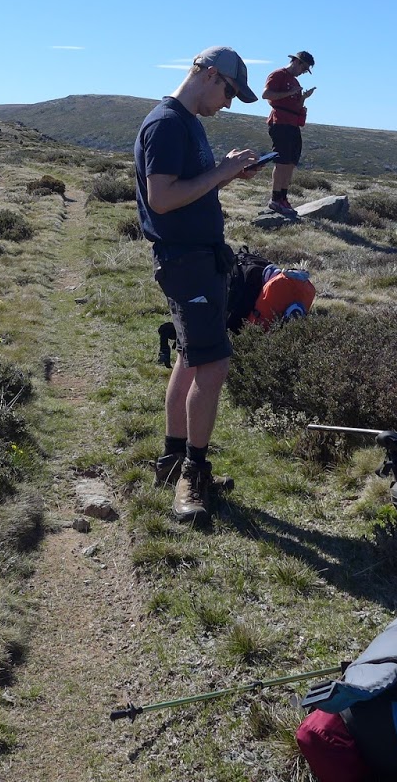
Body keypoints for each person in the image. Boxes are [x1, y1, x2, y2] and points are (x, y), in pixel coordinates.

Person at [134, 47, 263, 523]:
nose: (228, 102)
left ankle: (172, 460)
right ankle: (192, 475)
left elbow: (188, 188)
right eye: (228, 91)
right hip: (186, 262)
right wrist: (223, 172)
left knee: (191, 359)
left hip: (198, 259)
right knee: (213, 366)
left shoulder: (186, 122)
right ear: (209, 75)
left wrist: (222, 173)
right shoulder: (167, 123)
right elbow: (163, 199)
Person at [262, 50, 316, 216]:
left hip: (293, 124)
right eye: (304, 68)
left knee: (291, 163)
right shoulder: (278, 74)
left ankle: (283, 198)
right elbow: (266, 94)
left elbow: (297, 106)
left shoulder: (294, 82)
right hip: (280, 122)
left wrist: (303, 97)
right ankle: (275, 198)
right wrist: (290, 92)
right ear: (297, 62)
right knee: (282, 162)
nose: (303, 72)